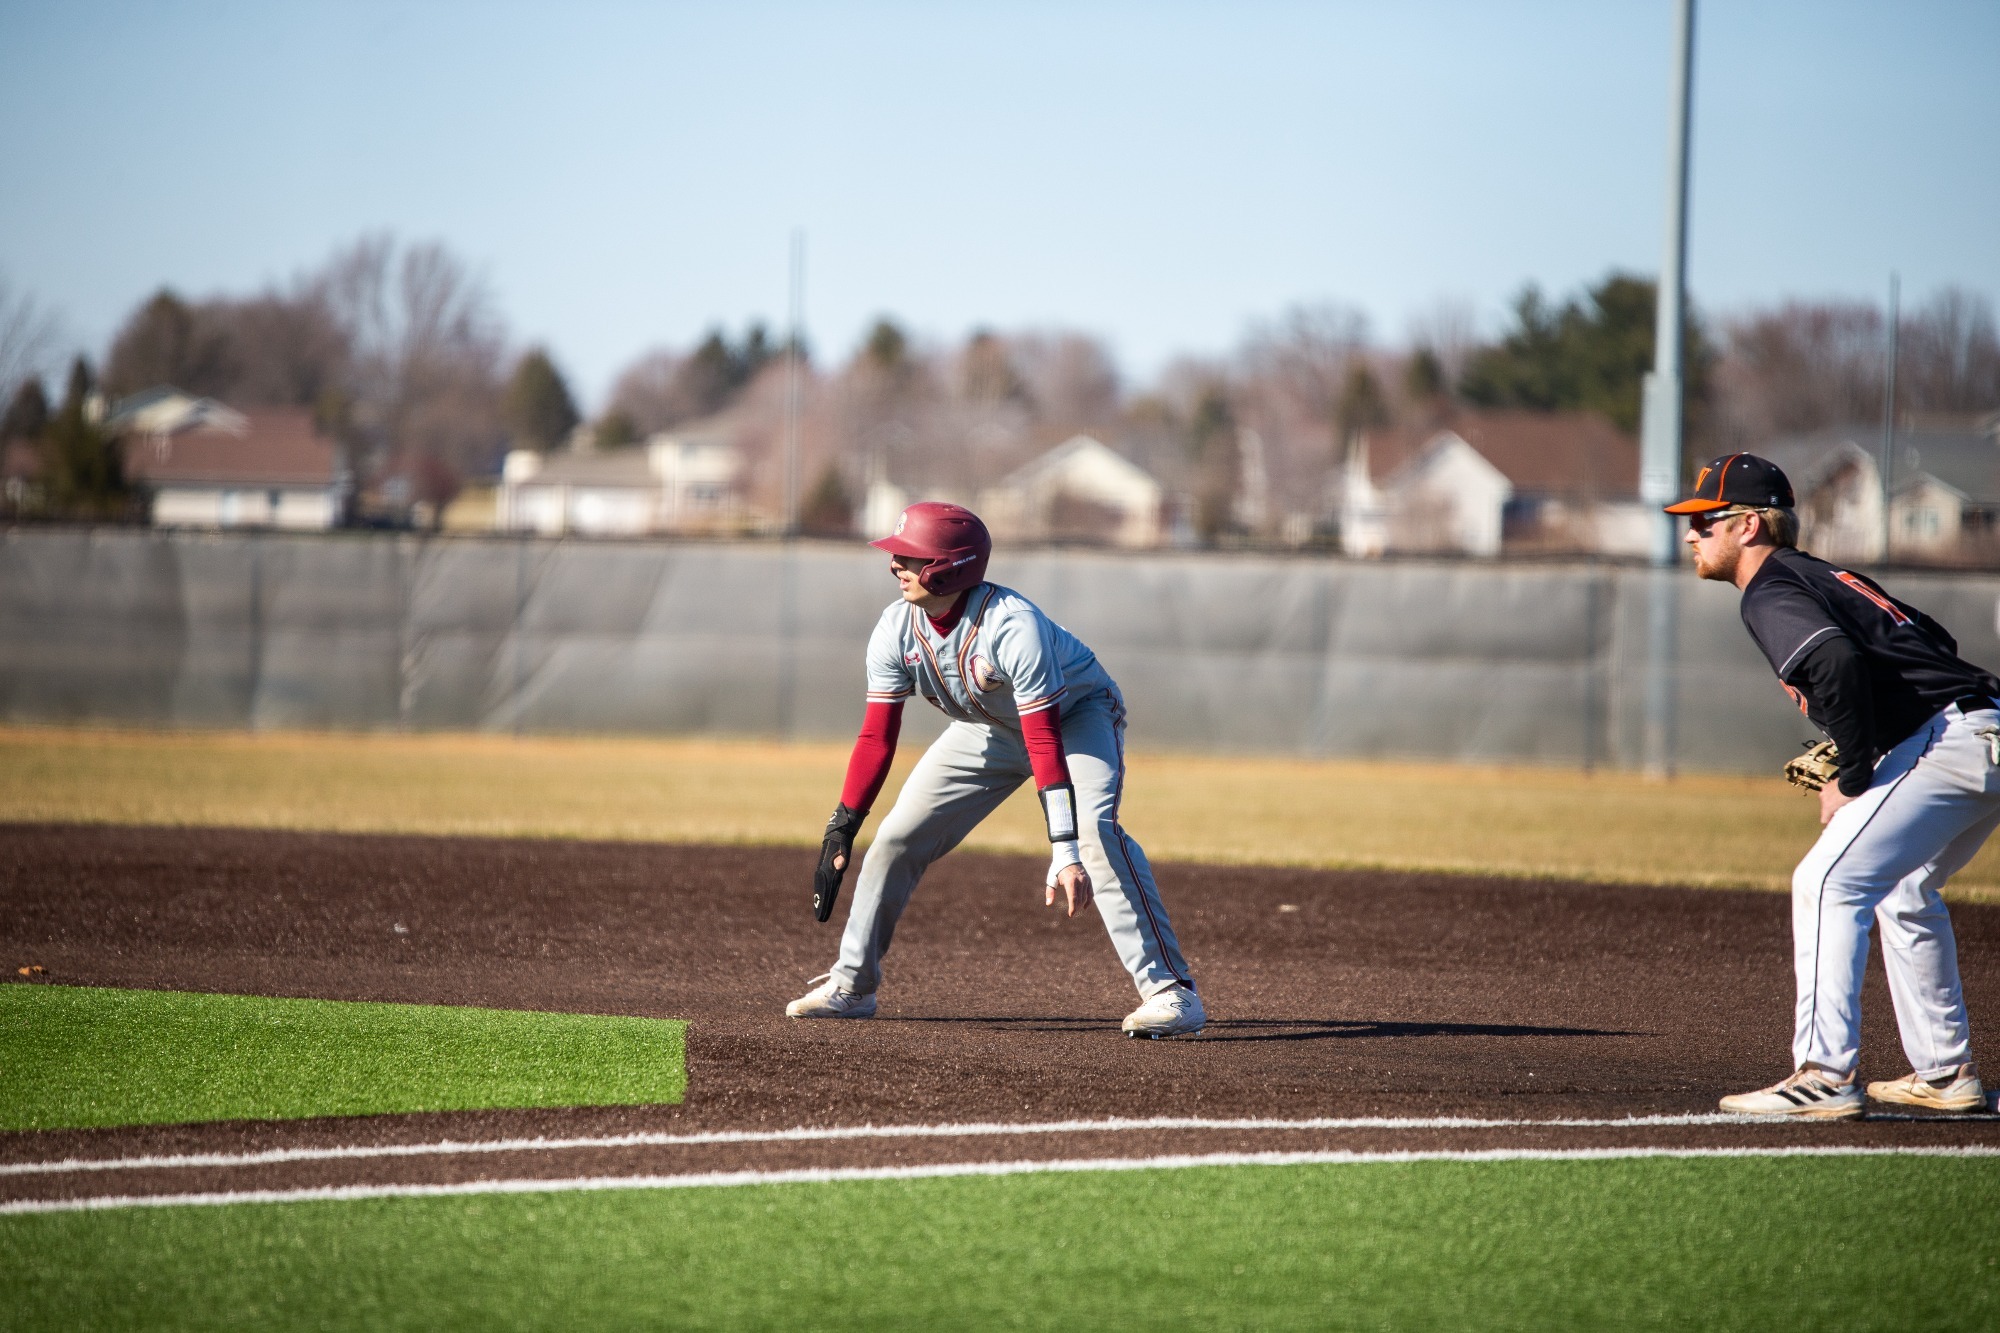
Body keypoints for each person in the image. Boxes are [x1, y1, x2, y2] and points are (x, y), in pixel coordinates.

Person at [786, 500, 1204, 1039]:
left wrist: (1064, 849)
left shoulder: (1012, 625)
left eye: (910, 556)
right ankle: (852, 986)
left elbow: (1043, 737)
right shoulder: (896, 628)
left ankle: (1172, 991)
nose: (894, 565)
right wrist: (842, 826)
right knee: (895, 839)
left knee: (1095, 834)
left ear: (950, 566)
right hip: (987, 728)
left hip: (1074, 718)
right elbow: (876, 737)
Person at [1670, 453, 1994, 1118]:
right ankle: (1944, 1072)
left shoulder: (1769, 588)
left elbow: (1836, 660)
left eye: (1706, 519)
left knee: (1826, 881)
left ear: (1750, 526)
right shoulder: (1821, 574)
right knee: (1905, 887)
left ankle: (1823, 1073)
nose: (1691, 533)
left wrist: (1853, 773)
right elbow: (1932, 638)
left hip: (1951, 738)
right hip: (1982, 724)